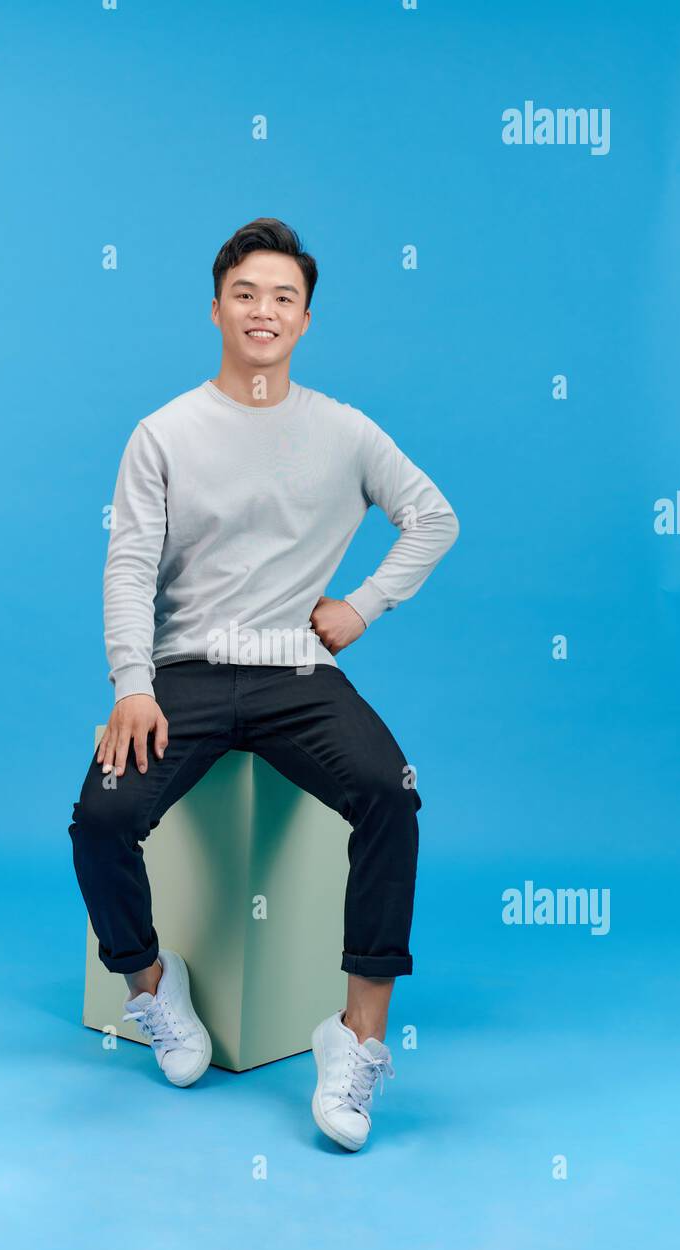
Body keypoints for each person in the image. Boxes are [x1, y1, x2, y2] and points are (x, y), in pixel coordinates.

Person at [68, 216, 459, 1151]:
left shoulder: (342, 429)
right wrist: (132, 682)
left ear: (305, 320)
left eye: (283, 297)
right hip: (186, 673)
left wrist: (361, 606)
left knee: (391, 796)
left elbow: (432, 516)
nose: (264, 311)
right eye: (246, 294)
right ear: (216, 310)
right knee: (102, 820)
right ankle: (154, 988)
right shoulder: (164, 432)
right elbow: (128, 568)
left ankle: (355, 1038)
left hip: (297, 671)